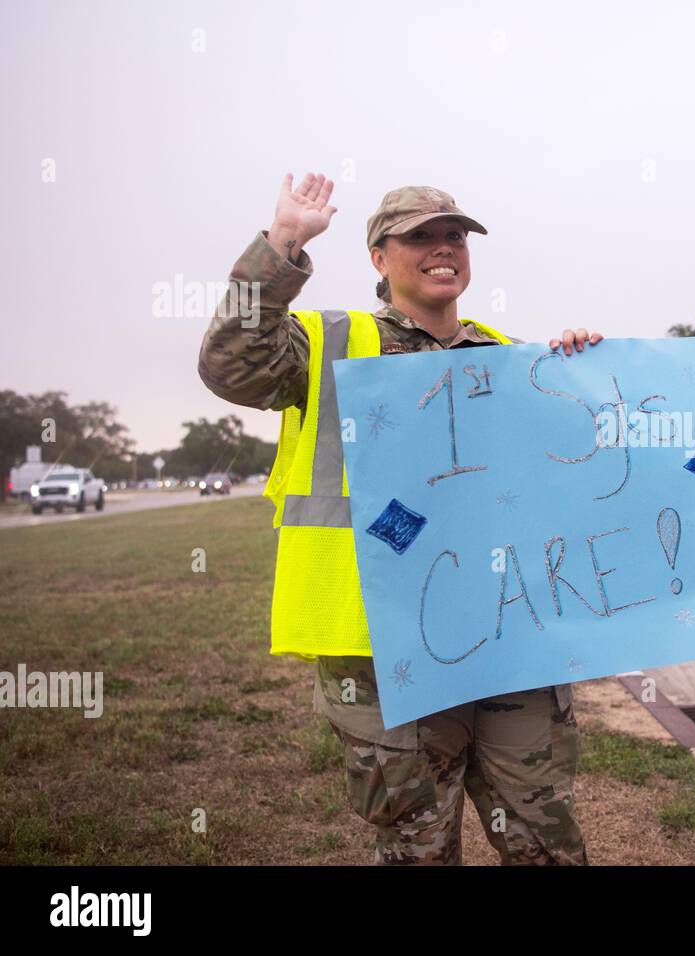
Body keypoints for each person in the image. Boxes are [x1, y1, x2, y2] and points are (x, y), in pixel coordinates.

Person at [198, 172, 598, 866]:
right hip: (386, 652)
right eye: (420, 237)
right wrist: (284, 242)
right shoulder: (331, 343)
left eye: (455, 237)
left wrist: (587, 372)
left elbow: (573, 470)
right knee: (418, 844)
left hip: (507, 641)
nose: (443, 248)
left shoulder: (509, 356)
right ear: (379, 258)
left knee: (545, 840)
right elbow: (230, 365)